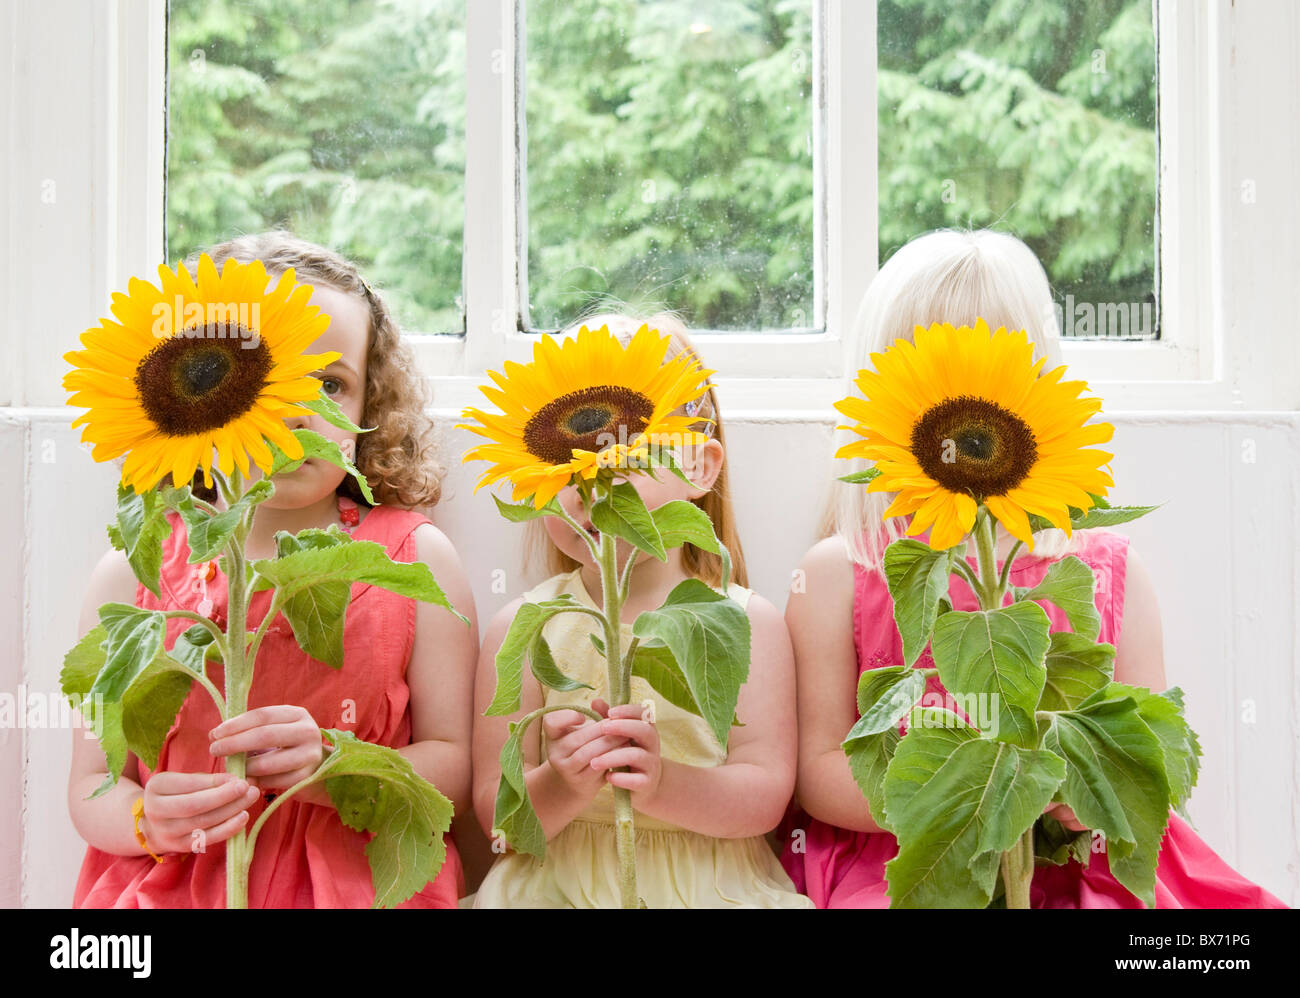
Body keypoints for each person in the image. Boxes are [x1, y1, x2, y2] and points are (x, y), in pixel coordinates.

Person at [780, 228, 1287, 908]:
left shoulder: (1105, 570)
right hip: (912, 860)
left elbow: (1146, 744)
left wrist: (1086, 793)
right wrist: (966, 806)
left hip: (1073, 867)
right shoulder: (842, 574)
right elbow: (818, 770)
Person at [68, 232, 479, 908]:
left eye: (328, 385)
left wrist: (335, 768)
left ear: (367, 411)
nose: (295, 411)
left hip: (352, 887)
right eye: (263, 377)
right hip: (172, 887)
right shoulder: (133, 576)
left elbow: (451, 770)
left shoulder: (410, 558)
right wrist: (146, 820)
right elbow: (93, 783)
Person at [470, 313, 813, 908]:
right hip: (559, 884)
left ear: (699, 469)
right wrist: (560, 783)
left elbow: (765, 798)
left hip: (710, 885)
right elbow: (500, 826)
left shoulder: (743, 621)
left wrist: (661, 786)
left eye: (623, 452)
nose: (590, 481)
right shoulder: (523, 628)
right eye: (564, 460)